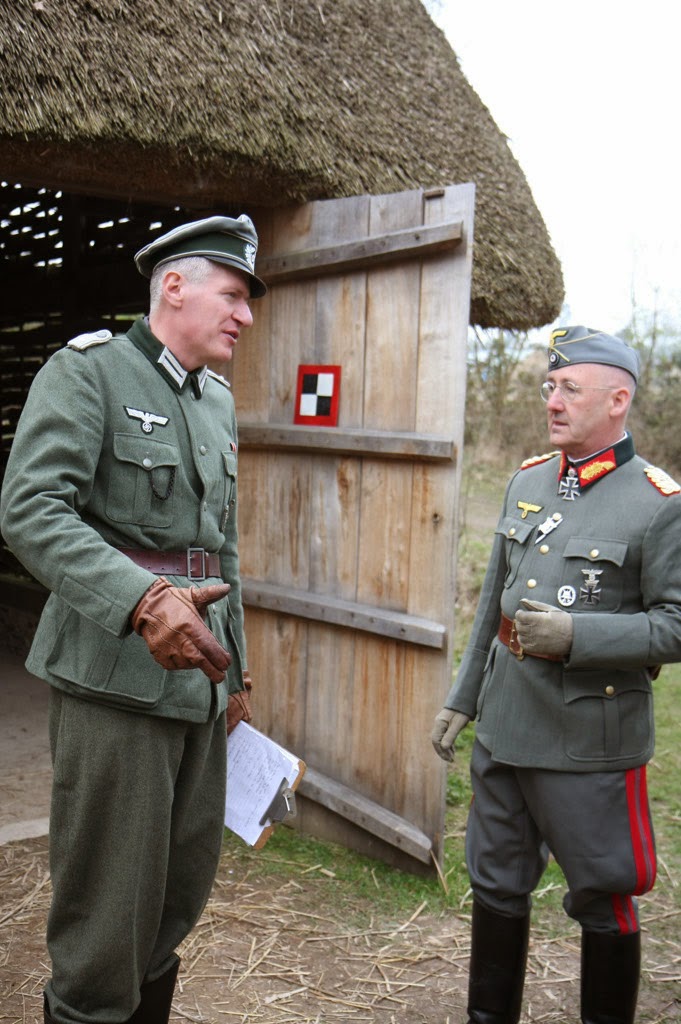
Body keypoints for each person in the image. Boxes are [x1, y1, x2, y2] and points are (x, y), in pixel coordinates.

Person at [0, 214, 267, 1024]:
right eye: (232, 294)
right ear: (174, 287)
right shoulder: (89, 375)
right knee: (105, 919)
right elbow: (30, 508)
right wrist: (143, 600)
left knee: (174, 901)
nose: (245, 315)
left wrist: (238, 679)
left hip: (200, 687)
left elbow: (218, 552)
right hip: (115, 679)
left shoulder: (215, 404)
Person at [431, 326, 681, 1024]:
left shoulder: (656, 502)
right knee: (496, 884)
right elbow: (493, 602)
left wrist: (578, 635)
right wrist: (464, 697)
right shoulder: (528, 479)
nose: (552, 400)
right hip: (506, 728)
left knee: (602, 897)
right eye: (549, 386)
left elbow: (676, 624)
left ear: (616, 399)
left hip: (586, 740)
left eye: (568, 388)